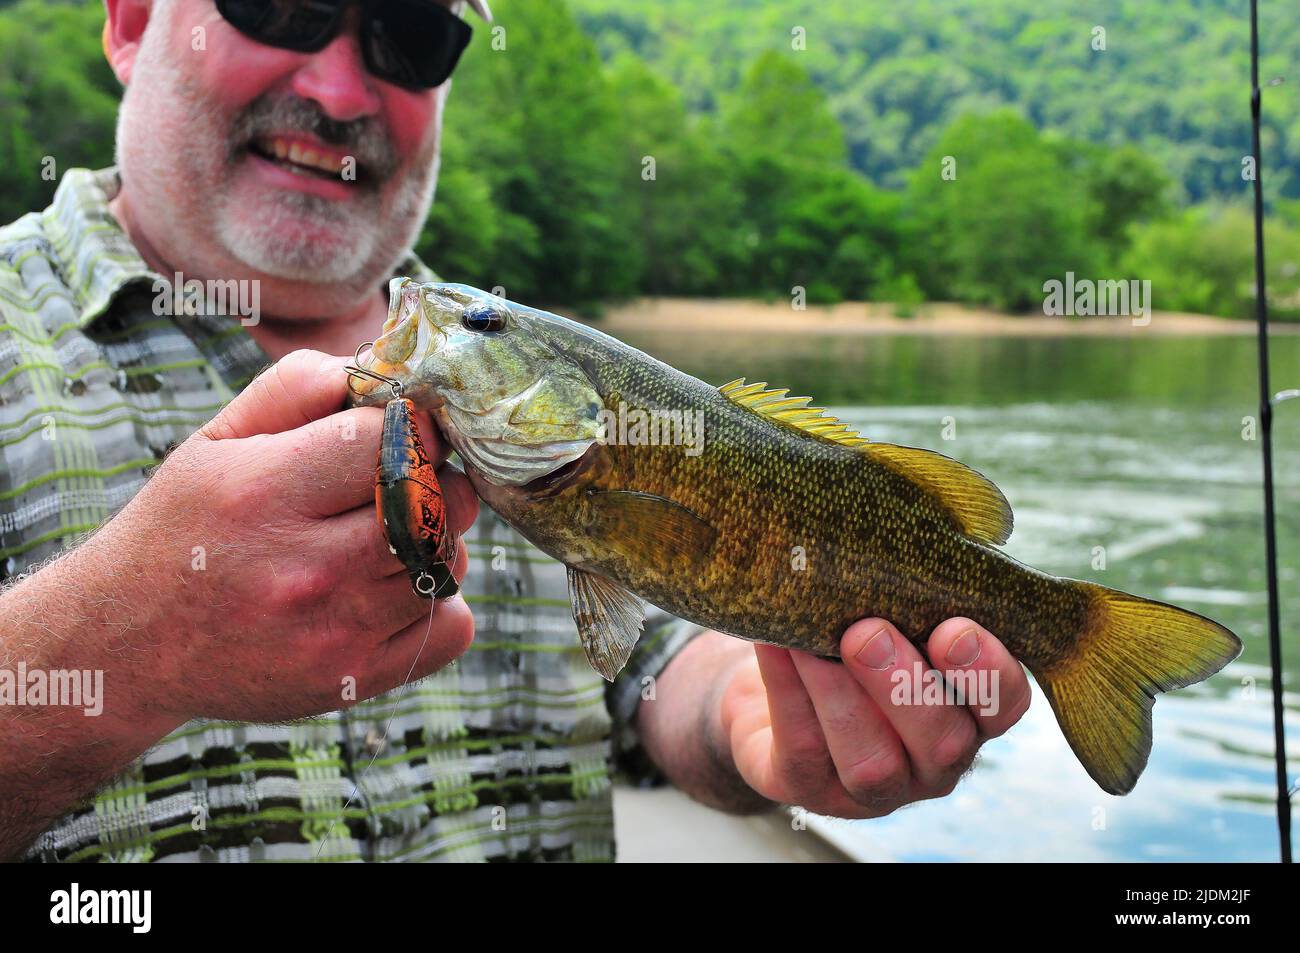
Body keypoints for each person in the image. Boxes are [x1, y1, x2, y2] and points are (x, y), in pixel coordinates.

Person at [0, 0, 1031, 862]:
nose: (340, 89)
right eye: (282, 3)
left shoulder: (520, 379)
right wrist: (128, 643)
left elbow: (657, 658)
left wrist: (759, 726)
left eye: (411, 34)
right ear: (133, 21)